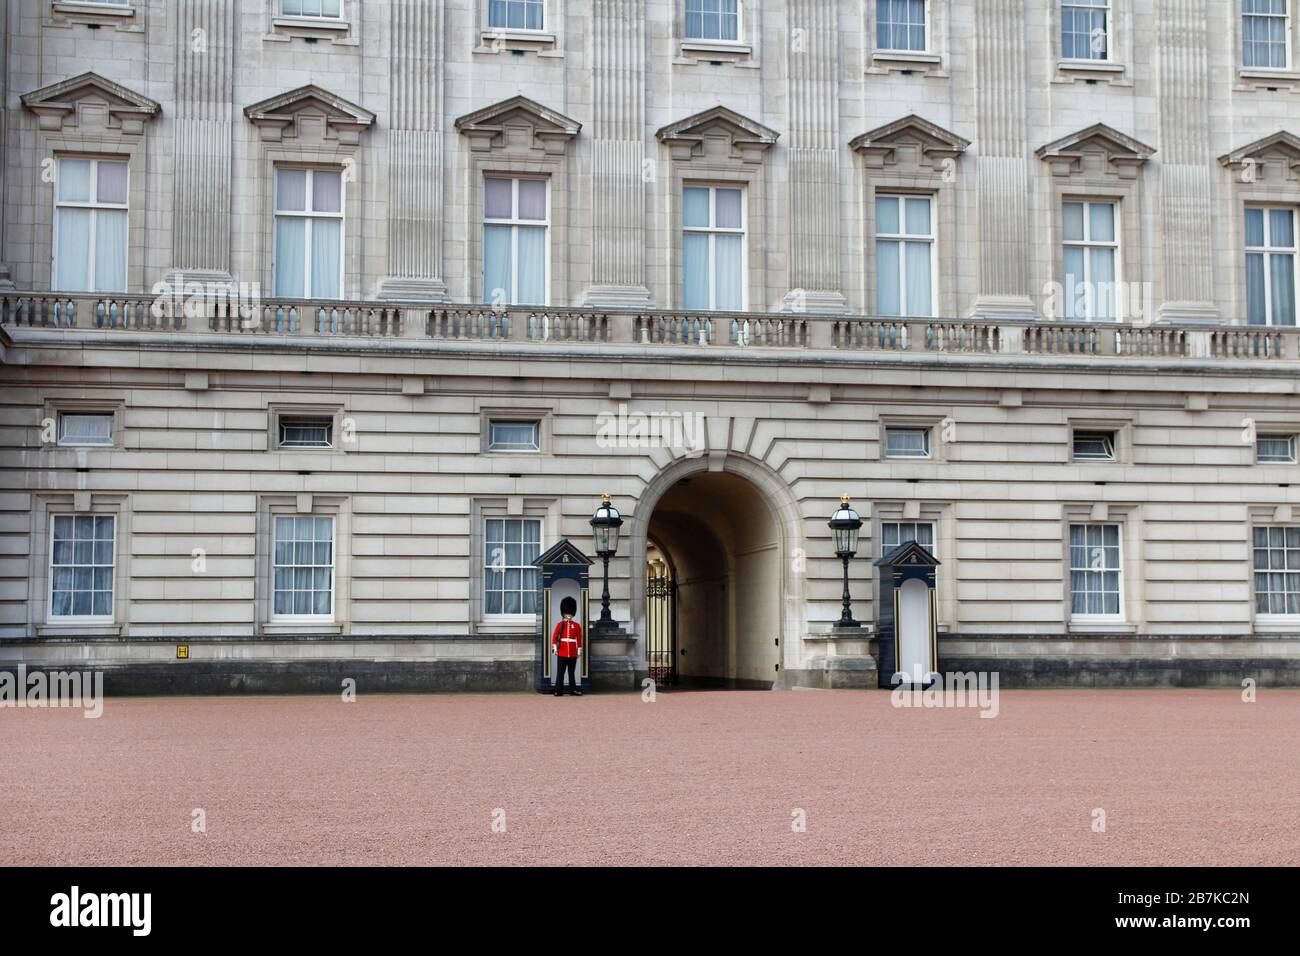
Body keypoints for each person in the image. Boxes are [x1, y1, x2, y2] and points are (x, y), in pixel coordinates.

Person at [551, 596, 583, 697]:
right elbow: (555, 638)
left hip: (573, 652)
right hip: (562, 651)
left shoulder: (576, 625)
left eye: (570, 613)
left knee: (571, 673)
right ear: (563, 613)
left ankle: (572, 690)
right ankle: (558, 690)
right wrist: (555, 649)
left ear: (572, 613)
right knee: (560, 672)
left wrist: (579, 651)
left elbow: (579, 639)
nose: (568, 615)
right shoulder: (560, 625)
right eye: (567, 613)